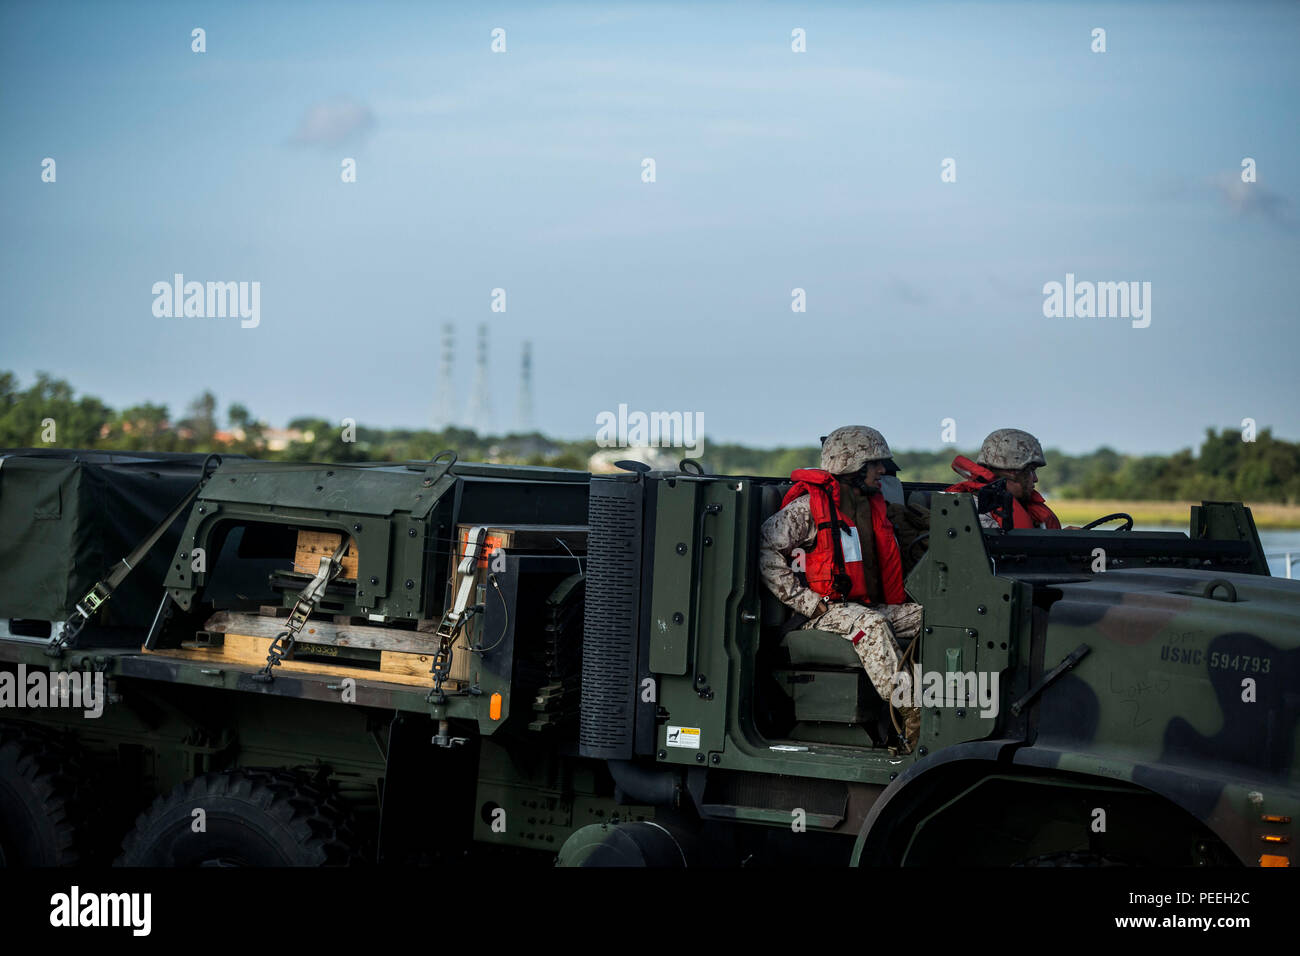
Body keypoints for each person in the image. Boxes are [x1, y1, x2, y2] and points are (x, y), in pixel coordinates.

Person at [759, 425, 922, 751]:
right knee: (872, 626)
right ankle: (913, 715)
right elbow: (764, 547)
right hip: (822, 613)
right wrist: (806, 601)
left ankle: (943, 702)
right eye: (874, 464)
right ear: (852, 465)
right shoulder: (808, 508)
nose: (882, 471)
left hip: (861, 605)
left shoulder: (870, 506)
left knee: (928, 618)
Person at [947, 428, 1062, 530]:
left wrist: (1063, 538)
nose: (1035, 479)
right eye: (1031, 470)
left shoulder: (1022, 505)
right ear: (1011, 472)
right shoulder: (972, 509)